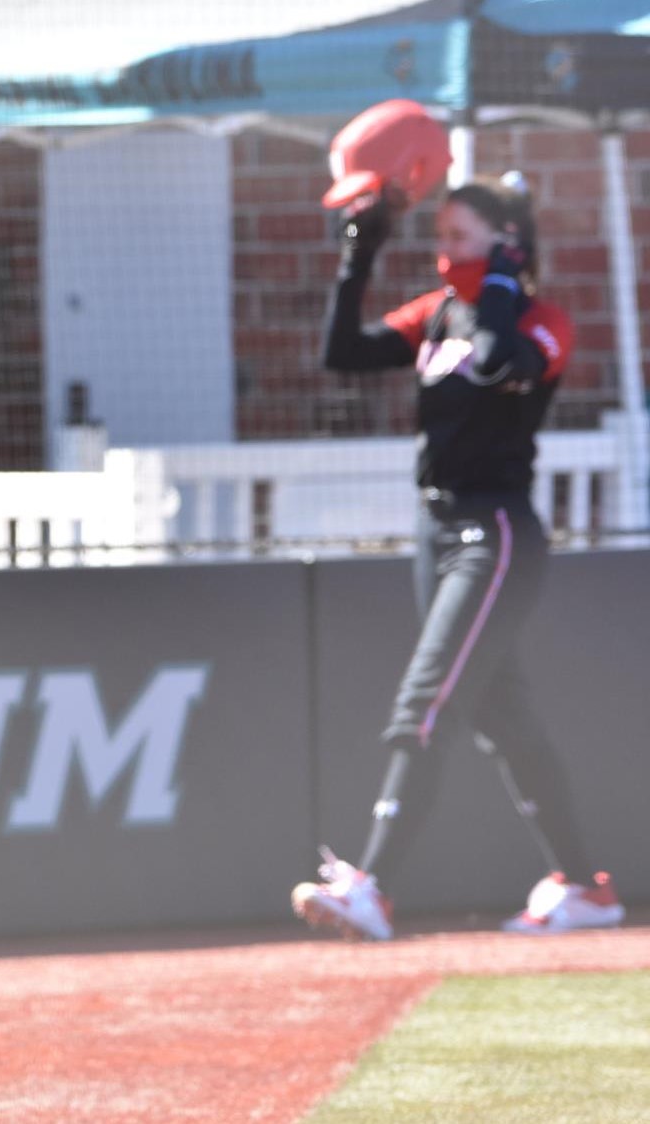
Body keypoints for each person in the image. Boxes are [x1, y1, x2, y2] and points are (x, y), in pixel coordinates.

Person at [291, 171, 625, 941]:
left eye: (459, 238)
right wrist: (357, 254)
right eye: (439, 237)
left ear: (505, 244)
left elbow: (504, 364)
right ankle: (583, 887)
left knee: (428, 700)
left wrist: (504, 279)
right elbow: (343, 351)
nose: (443, 252)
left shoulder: (539, 321)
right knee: (500, 713)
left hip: (496, 534)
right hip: (436, 531)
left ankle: (370, 887)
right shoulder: (440, 315)